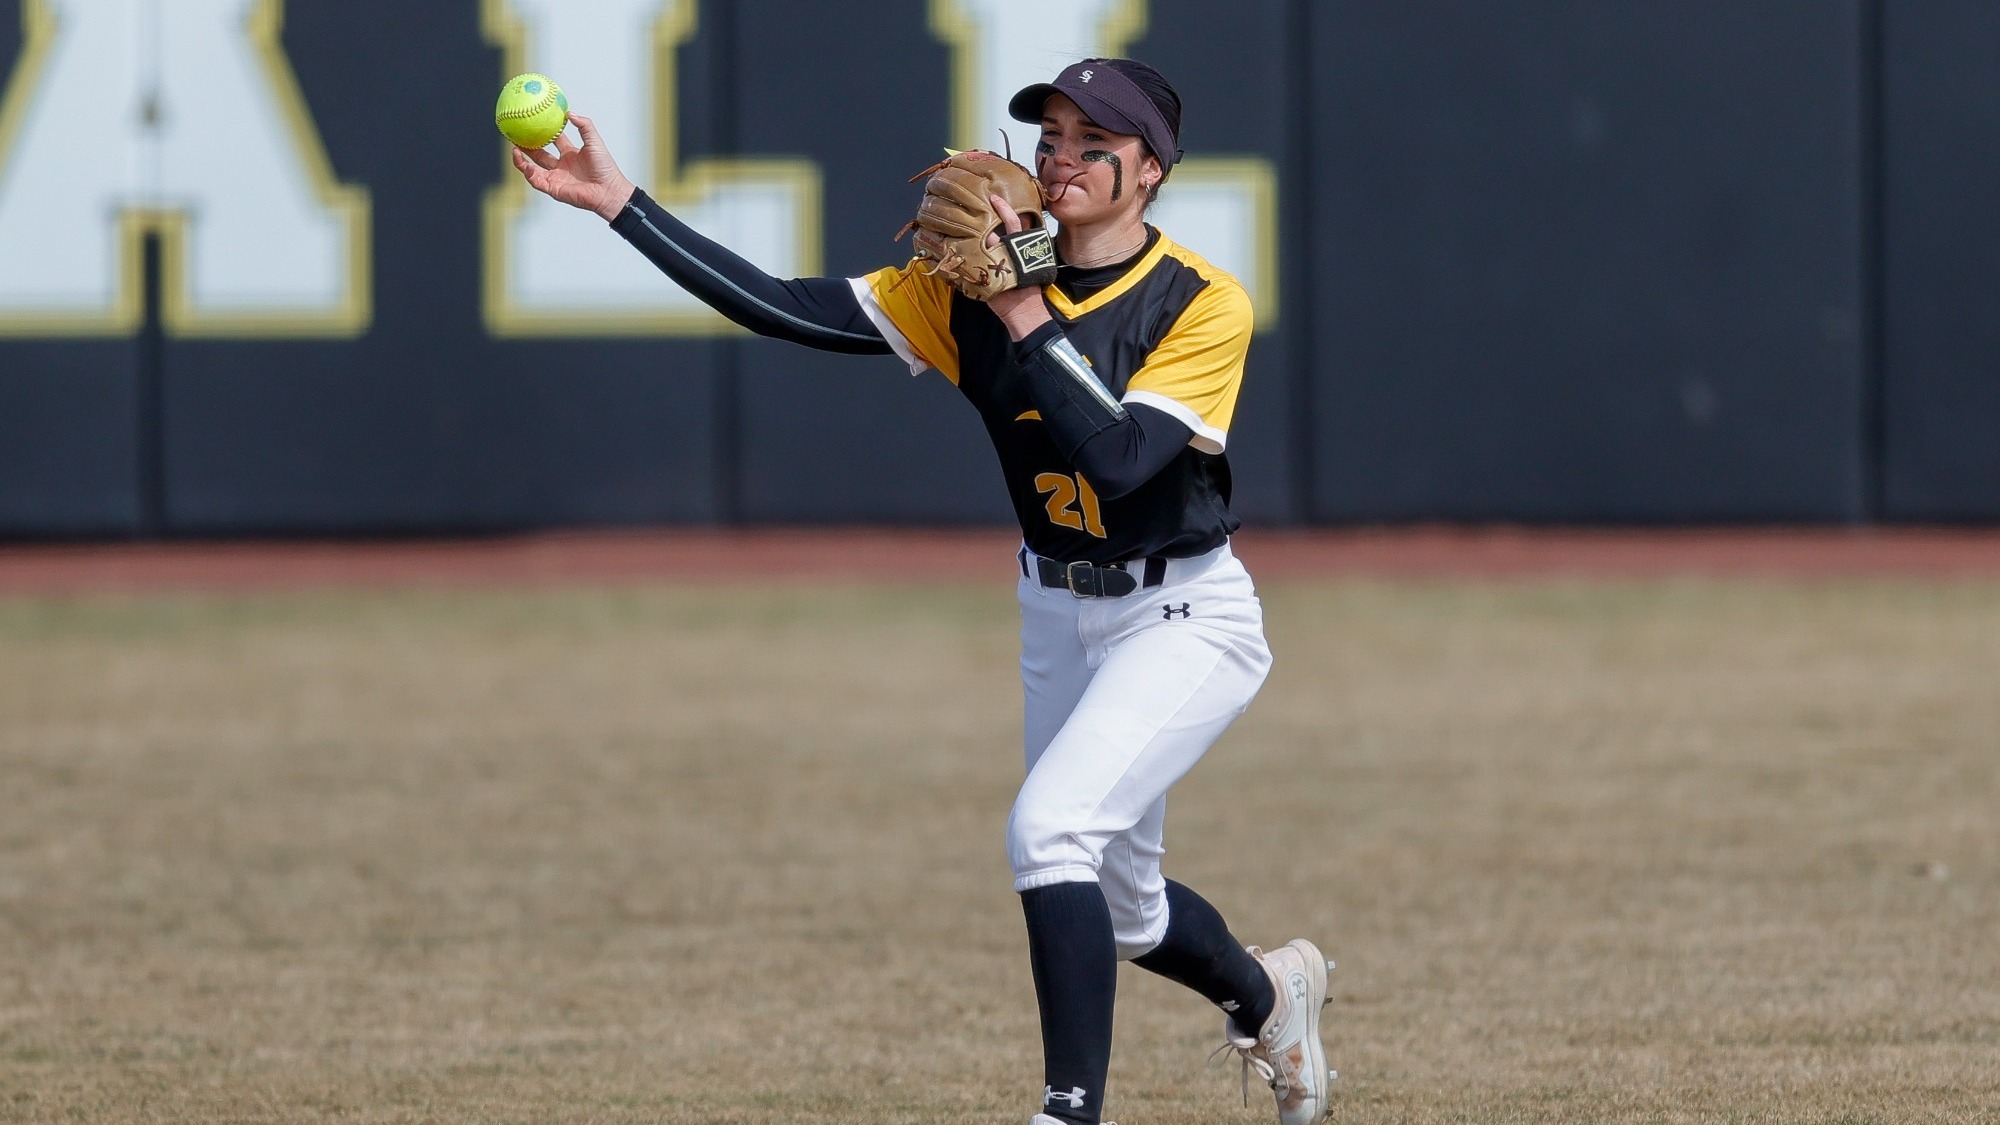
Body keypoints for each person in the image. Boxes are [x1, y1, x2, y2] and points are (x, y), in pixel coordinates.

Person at [510, 57, 1334, 1125]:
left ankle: (1067, 1110)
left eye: (1095, 144)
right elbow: (784, 309)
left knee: (1048, 835)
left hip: (1183, 611)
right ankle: (1274, 998)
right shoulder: (967, 287)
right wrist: (619, 203)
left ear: (1150, 170)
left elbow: (1125, 461)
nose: (1061, 159)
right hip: (1055, 608)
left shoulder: (1199, 302)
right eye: (1050, 138)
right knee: (1123, 910)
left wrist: (1021, 308)